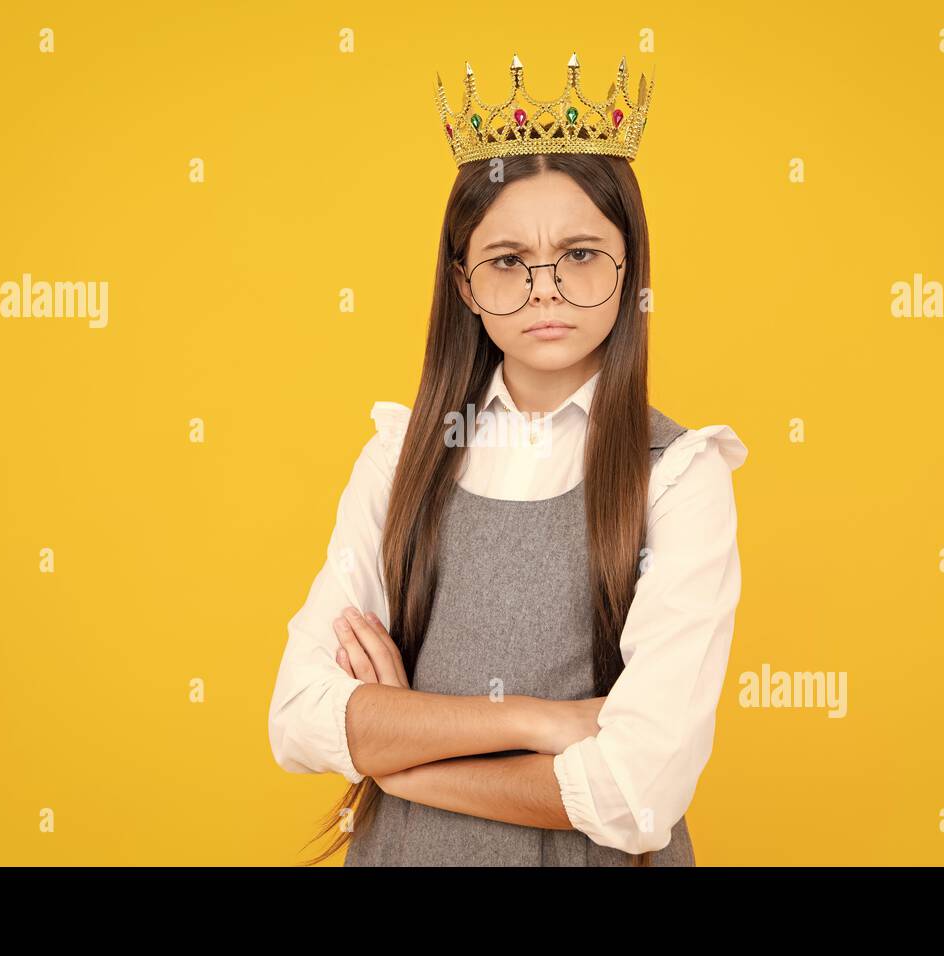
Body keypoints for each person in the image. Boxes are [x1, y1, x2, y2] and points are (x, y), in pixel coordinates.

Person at [267, 52, 748, 866]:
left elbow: (635, 793)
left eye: (582, 254)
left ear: (632, 270)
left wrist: (399, 752)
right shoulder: (400, 457)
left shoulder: (680, 475)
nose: (546, 290)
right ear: (463, 282)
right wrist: (539, 721)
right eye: (507, 262)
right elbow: (299, 715)